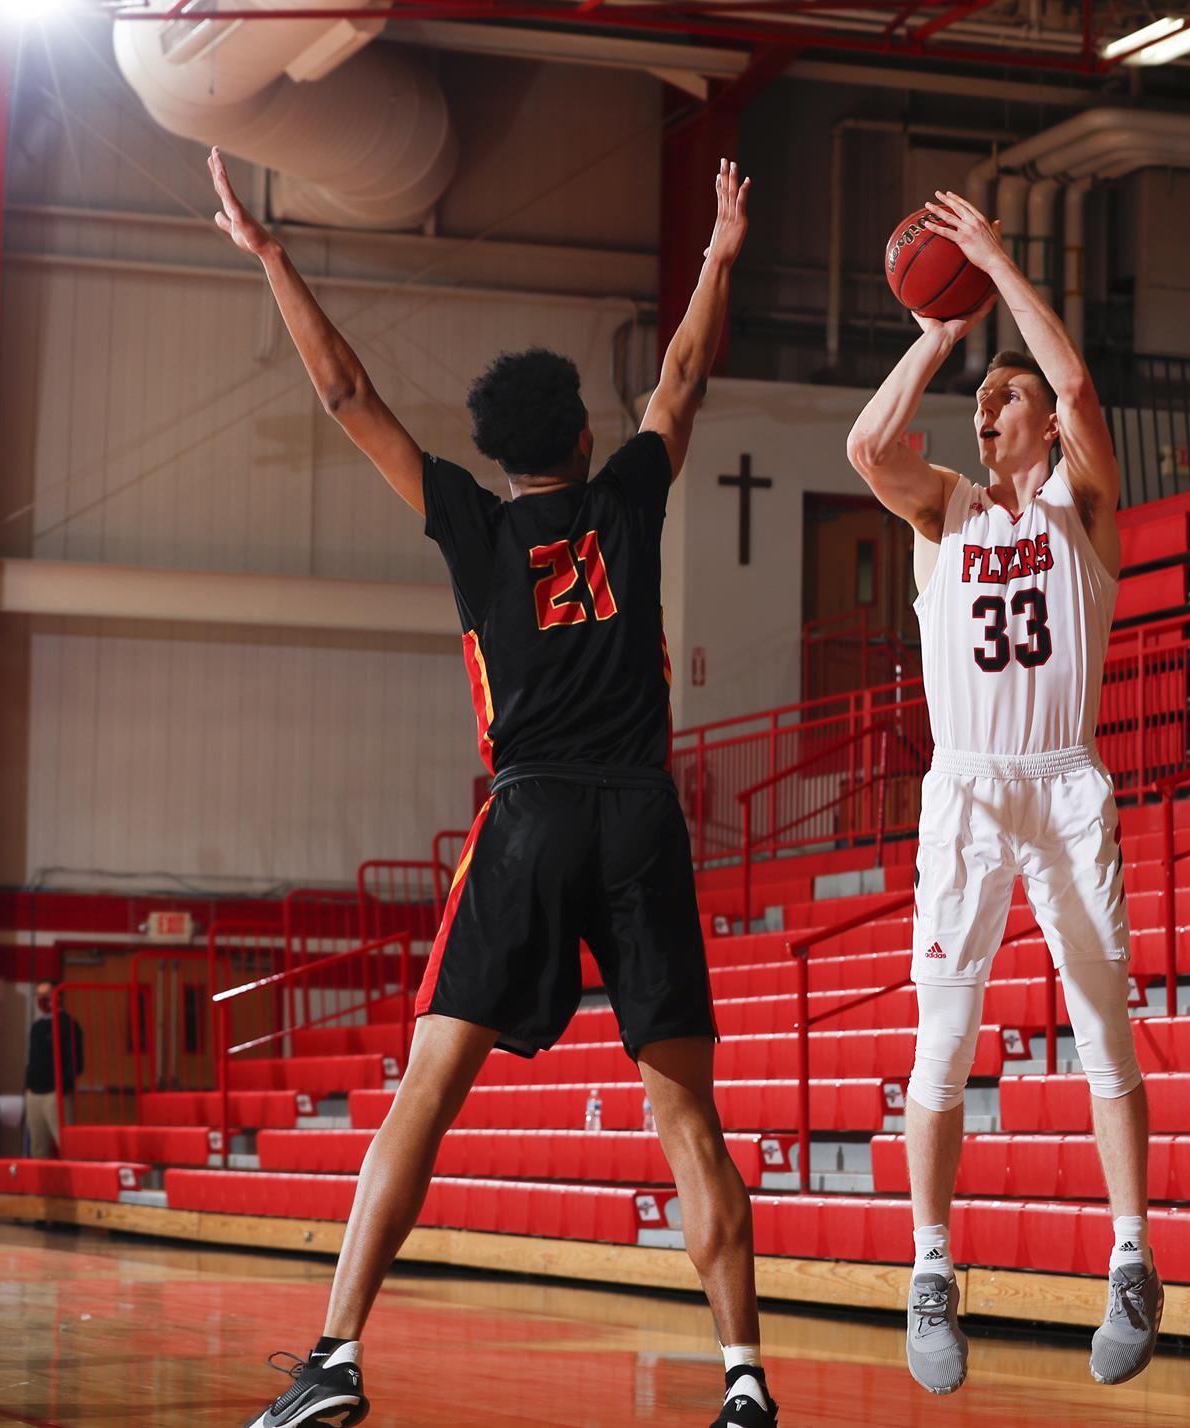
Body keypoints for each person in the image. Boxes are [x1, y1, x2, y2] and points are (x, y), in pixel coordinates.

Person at [207, 147, 773, 1428]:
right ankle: (741, 1380)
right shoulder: (629, 494)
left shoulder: (471, 524)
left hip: (526, 818)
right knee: (684, 1111)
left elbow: (347, 390)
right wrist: (718, 253)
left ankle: (337, 1360)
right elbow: (681, 377)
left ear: (504, 454)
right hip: (639, 815)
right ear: (581, 437)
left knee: (426, 1090)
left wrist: (272, 255)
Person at [846, 189, 1160, 1393]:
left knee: (1100, 1030)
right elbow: (869, 452)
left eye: (1002, 394)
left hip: (1065, 784)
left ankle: (1131, 1254)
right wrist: (937, 330)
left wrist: (993, 265)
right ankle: (929, 1267)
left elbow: (1077, 392)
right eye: (980, 401)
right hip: (969, 792)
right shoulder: (948, 510)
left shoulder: (1084, 506)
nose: (987, 408)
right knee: (941, 1045)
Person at [24, 981, 84, 1158]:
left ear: (58, 996)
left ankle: (73, 1185)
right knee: (37, 1149)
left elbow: (76, 1063)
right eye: (39, 994)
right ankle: (42, 1187)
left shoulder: (69, 1025)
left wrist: (60, 1087)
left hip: (56, 1095)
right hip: (34, 1094)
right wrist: (28, 1086)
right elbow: (32, 1059)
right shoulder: (37, 1027)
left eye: (47, 994)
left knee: (68, 1148)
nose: (43, 999)